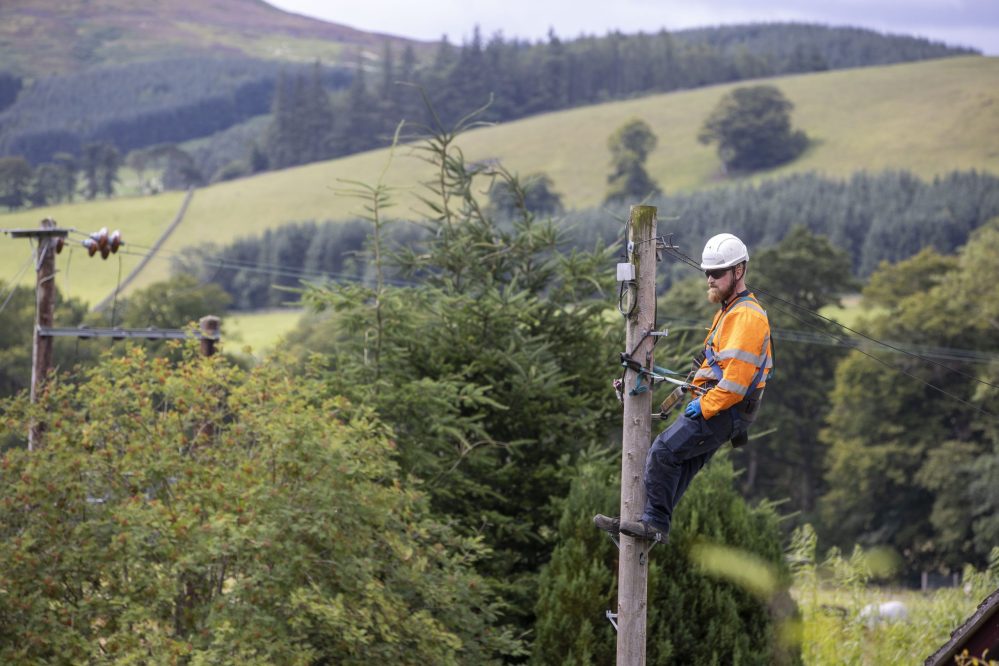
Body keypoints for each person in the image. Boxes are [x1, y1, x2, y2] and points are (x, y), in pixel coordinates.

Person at [595, 233, 773, 543]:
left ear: (739, 270)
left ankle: (653, 523)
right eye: (707, 273)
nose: (710, 279)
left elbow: (736, 382)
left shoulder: (745, 316)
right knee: (680, 462)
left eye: (717, 272)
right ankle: (650, 521)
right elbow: (716, 367)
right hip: (725, 408)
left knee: (664, 452)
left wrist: (703, 406)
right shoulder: (730, 311)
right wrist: (655, 376)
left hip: (724, 408)